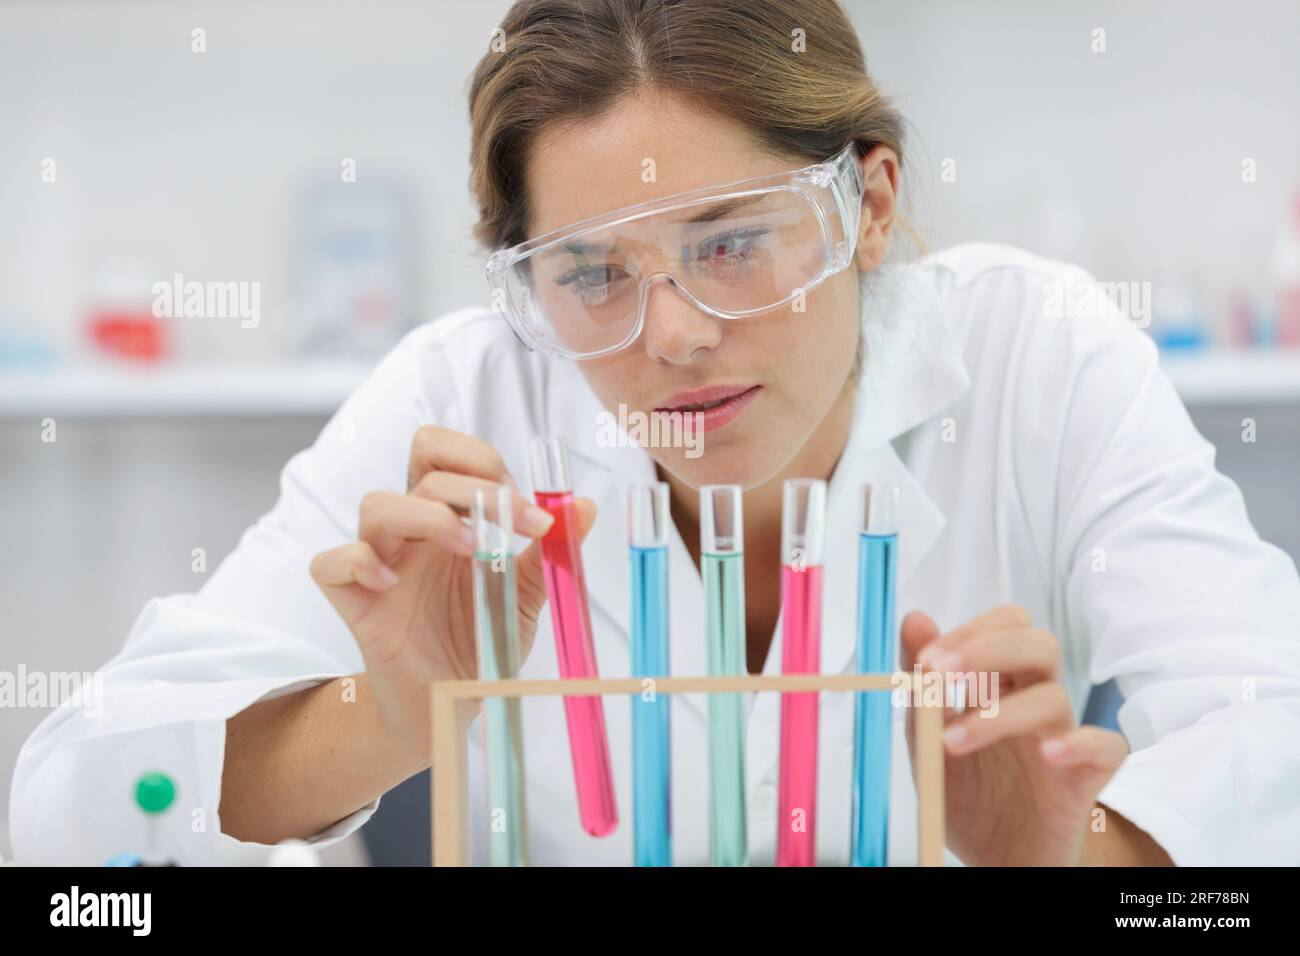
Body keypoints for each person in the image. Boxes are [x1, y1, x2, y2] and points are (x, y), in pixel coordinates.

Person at [11, 0, 1300, 866]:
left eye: (731, 242)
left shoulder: (1043, 357)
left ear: (867, 202)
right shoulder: (463, 403)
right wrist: (387, 712)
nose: (669, 333)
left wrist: (1076, 862)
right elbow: (70, 834)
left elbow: (1274, 731)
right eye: (588, 272)